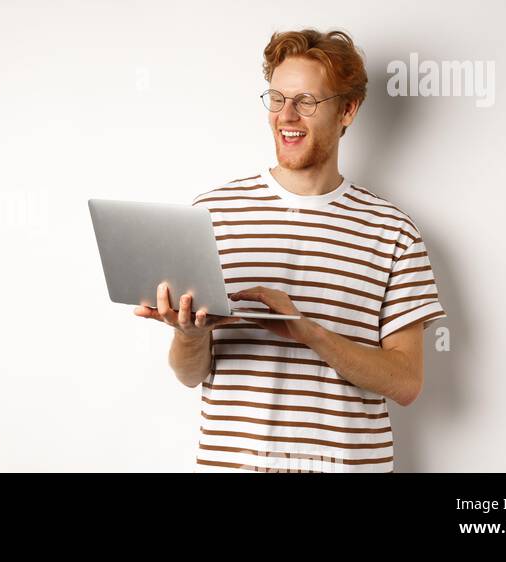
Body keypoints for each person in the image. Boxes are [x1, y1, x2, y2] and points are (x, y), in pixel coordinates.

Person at [134, 29, 446, 473]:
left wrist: (308, 331)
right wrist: (188, 333)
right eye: (277, 98)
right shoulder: (210, 214)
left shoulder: (393, 231)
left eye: (306, 101)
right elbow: (190, 375)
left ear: (348, 110)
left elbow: (406, 381)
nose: (286, 115)